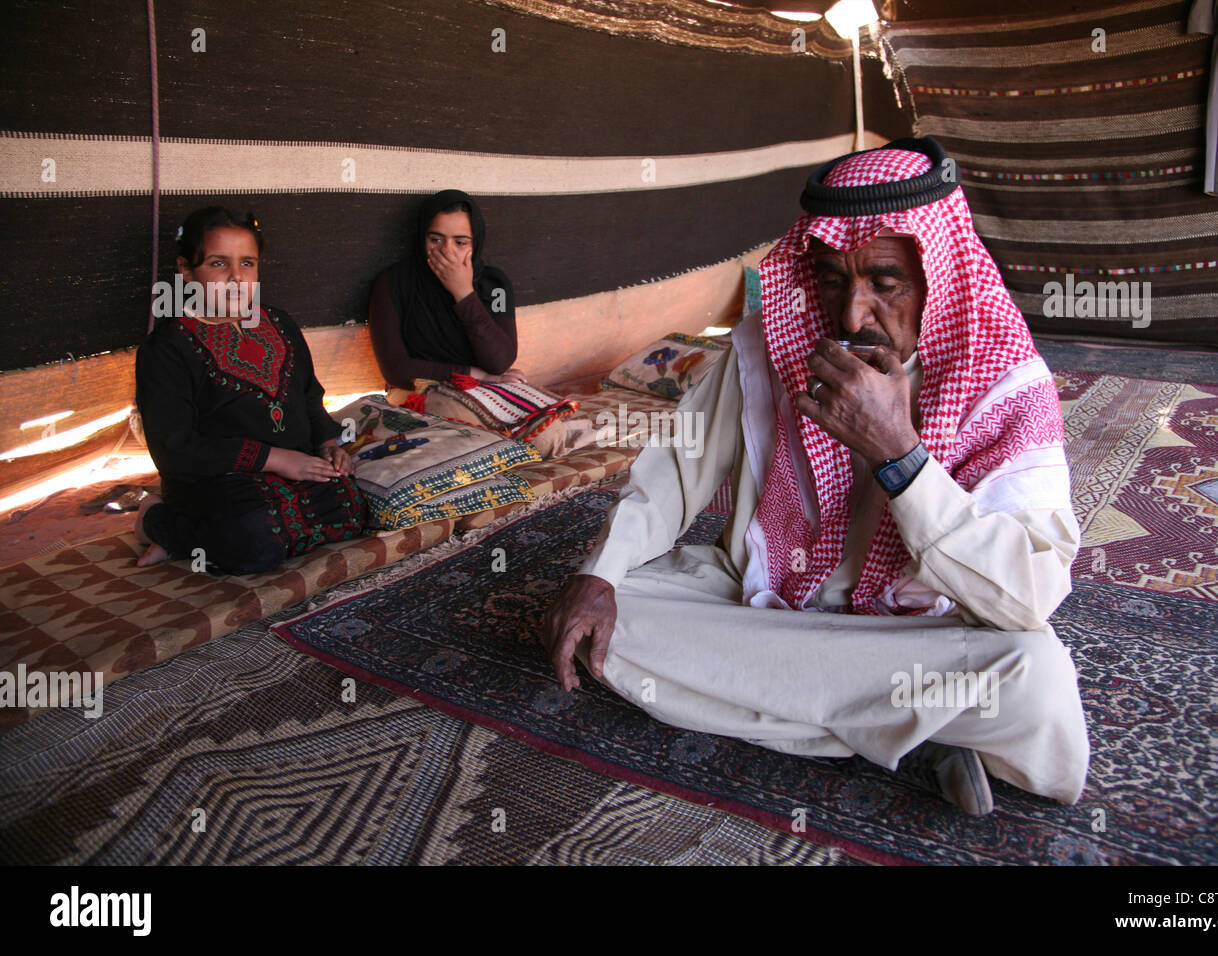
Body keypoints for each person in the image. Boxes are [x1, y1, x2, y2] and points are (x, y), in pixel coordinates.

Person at [542, 138, 1089, 815]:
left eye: (884, 284)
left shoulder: (1007, 385)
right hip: (771, 603)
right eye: (833, 280)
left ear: (938, 274)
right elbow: (678, 472)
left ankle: (858, 707)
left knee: (1033, 683)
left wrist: (900, 457)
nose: (852, 315)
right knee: (612, 616)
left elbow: (1026, 599)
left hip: (921, 636)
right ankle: (917, 731)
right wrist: (600, 576)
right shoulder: (771, 342)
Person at [134, 207, 367, 573]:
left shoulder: (280, 323)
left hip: (294, 470)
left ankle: (194, 539)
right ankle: (156, 521)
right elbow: (174, 448)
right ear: (185, 270)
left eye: (247, 264)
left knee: (351, 507)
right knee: (256, 538)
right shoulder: (167, 347)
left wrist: (328, 446)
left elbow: (309, 397)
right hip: (216, 481)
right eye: (217, 264)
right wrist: (274, 458)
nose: (235, 278)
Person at [368, 190, 525, 389]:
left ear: (475, 243)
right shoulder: (394, 283)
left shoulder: (495, 285)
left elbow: (499, 362)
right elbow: (396, 369)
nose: (446, 251)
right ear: (422, 237)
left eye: (460, 242)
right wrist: (476, 375)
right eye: (435, 240)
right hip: (422, 391)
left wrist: (464, 293)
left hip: (488, 387)